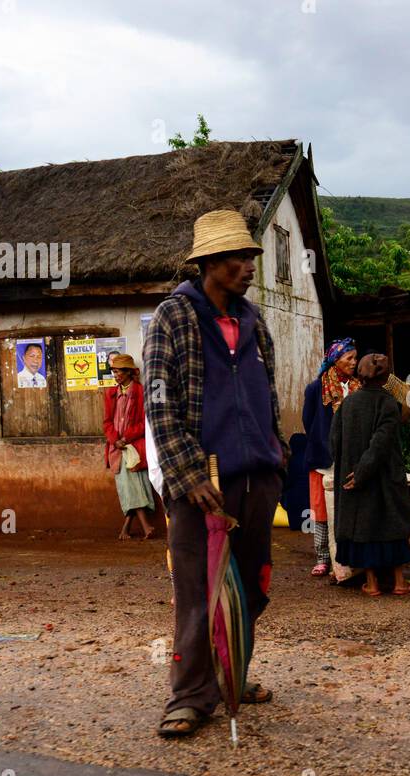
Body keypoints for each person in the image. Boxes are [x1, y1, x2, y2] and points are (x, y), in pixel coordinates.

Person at [145, 209, 288, 738]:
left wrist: (277, 454)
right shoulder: (174, 317)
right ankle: (190, 695)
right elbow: (160, 403)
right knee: (198, 591)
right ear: (207, 263)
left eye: (250, 257)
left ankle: (234, 670)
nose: (248, 266)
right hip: (202, 481)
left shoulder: (253, 321)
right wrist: (186, 474)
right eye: (237, 257)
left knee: (252, 587)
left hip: (257, 478)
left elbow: (267, 395)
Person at [331, 353, 410, 597]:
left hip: (353, 478)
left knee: (364, 529)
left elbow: (334, 441)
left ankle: (372, 583)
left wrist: (354, 471)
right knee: (391, 524)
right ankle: (399, 582)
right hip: (383, 476)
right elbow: (381, 442)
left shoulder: (348, 404)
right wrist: (364, 470)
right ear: (387, 379)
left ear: (360, 375)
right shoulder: (389, 403)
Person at [301, 337, 359, 577]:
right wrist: (322, 439)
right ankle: (323, 558)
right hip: (322, 457)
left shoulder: (358, 387)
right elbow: (308, 419)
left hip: (349, 458)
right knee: (320, 511)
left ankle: (345, 558)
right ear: (336, 360)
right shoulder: (317, 388)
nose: (354, 362)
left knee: (345, 509)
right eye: (349, 358)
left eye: (356, 358)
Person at [103, 353, 157, 540]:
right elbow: (107, 422)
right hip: (117, 449)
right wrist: (115, 440)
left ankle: (131, 528)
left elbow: (145, 422)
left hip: (135, 447)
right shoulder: (110, 393)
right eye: (114, 371)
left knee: (132, 486)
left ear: (128, 372)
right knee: (131, 487)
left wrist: (126, 438)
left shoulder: (142, 392)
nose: (115, 375)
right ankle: (142, 527)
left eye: (118, 371)